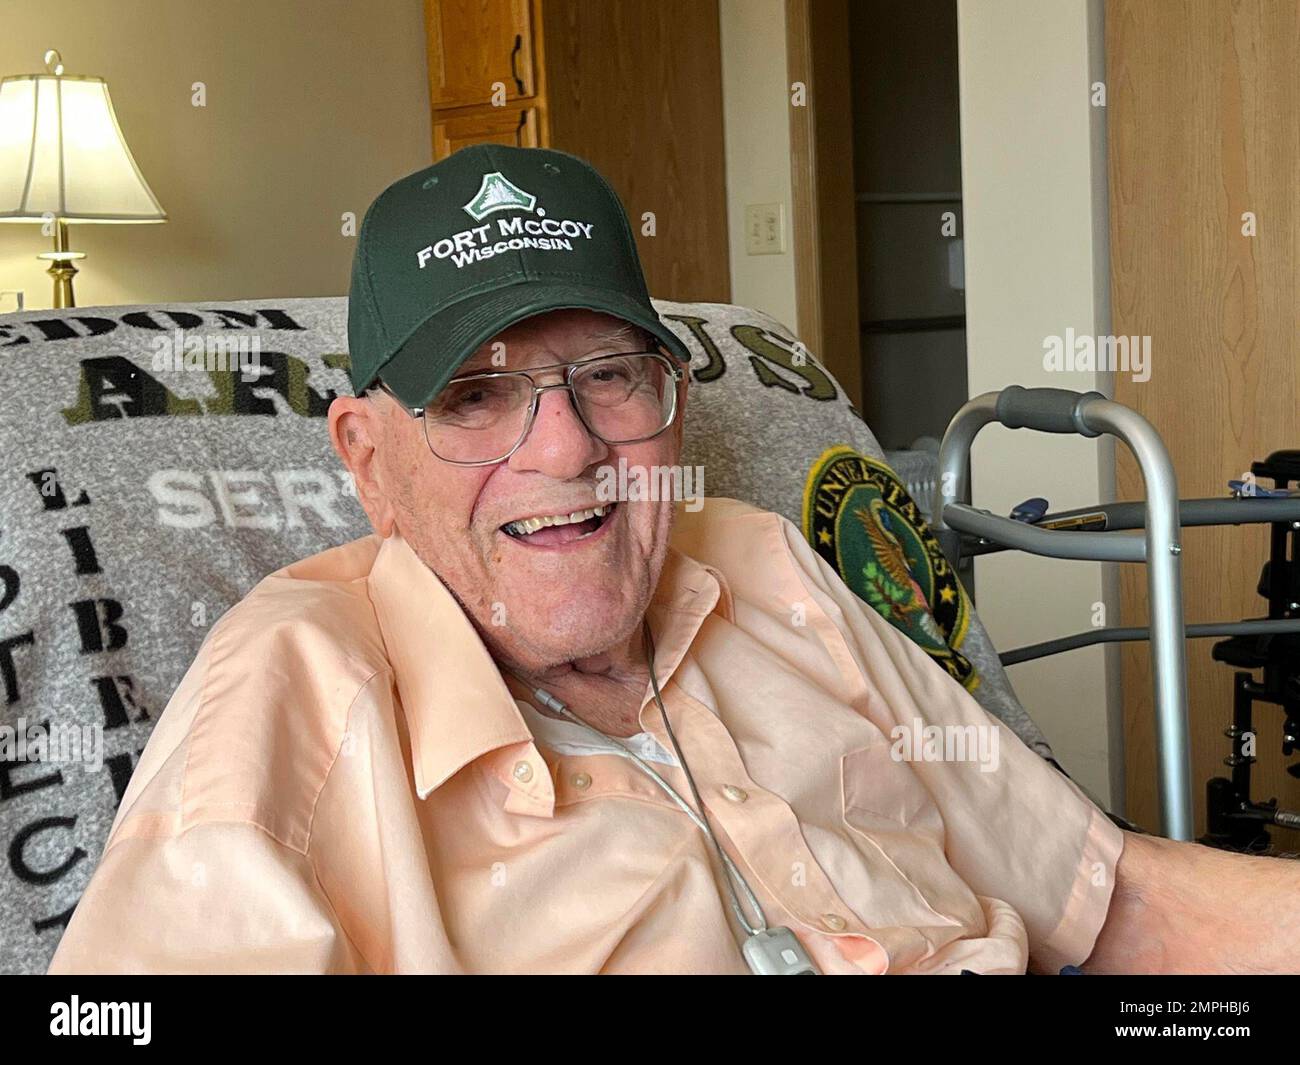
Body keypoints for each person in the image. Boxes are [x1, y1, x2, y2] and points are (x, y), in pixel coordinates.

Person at [48, 146, 1300, 974]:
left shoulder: (762, 566)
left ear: (673, 407)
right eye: (476, 397)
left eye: (607, 377)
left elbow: (1112, 896)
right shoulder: (294, 684)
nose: (566, 449)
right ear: (366, 458)